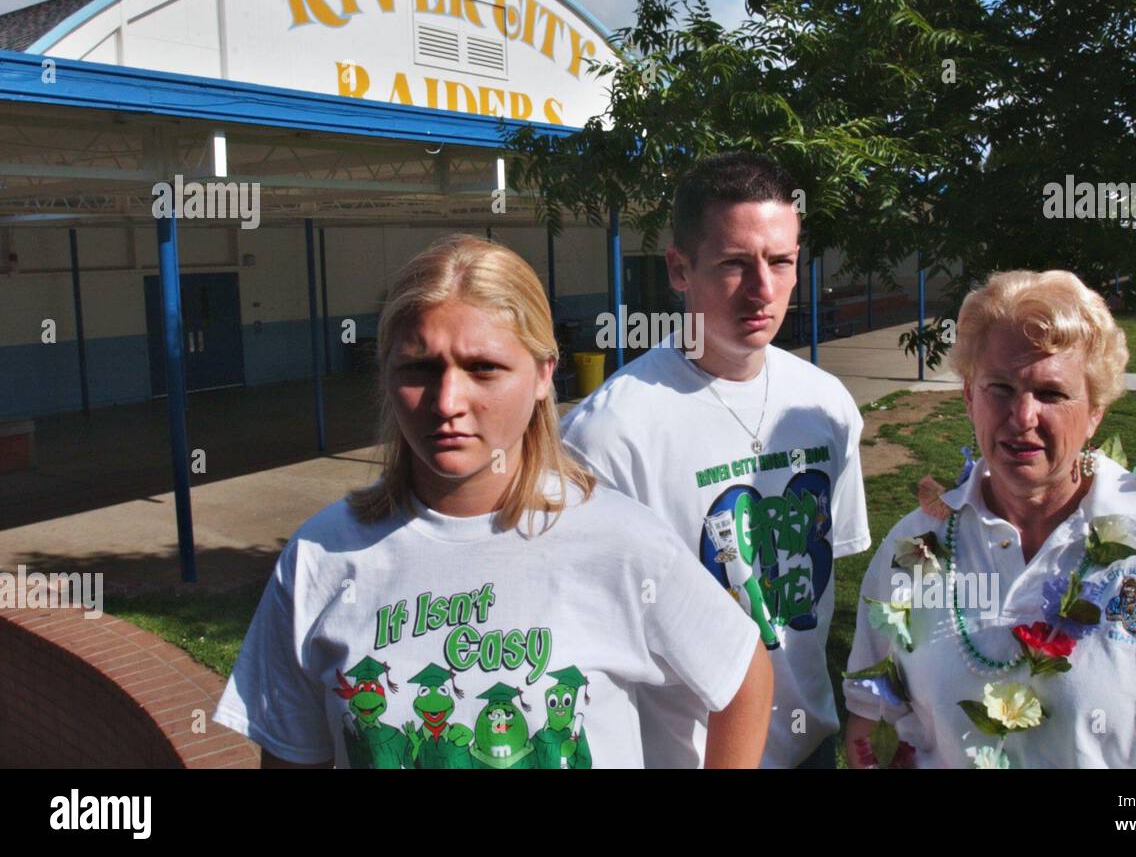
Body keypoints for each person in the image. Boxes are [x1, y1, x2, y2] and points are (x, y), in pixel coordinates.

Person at [213, 234, 773, 769]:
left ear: (542, 374)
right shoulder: (319, 557)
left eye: (483, 368)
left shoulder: (619, 541)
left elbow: (743, 675)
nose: (447, 401)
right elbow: (292, 751)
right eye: (419, 369)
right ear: (385, 375)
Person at [843, 270, 1136, 768]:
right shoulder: (914, 546)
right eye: (999, 387)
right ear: (968, 396)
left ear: (1095, 411)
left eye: (1050, 394)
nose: (1022, 416)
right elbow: (867, 721)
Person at [562, 151, 871, 768]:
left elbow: (823, 576)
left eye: (780, 262)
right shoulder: (609, 435)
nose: (762, 289)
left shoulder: (827, 406)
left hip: (812, 745)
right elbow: (583, 637)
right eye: (734, 263)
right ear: (679, 268)